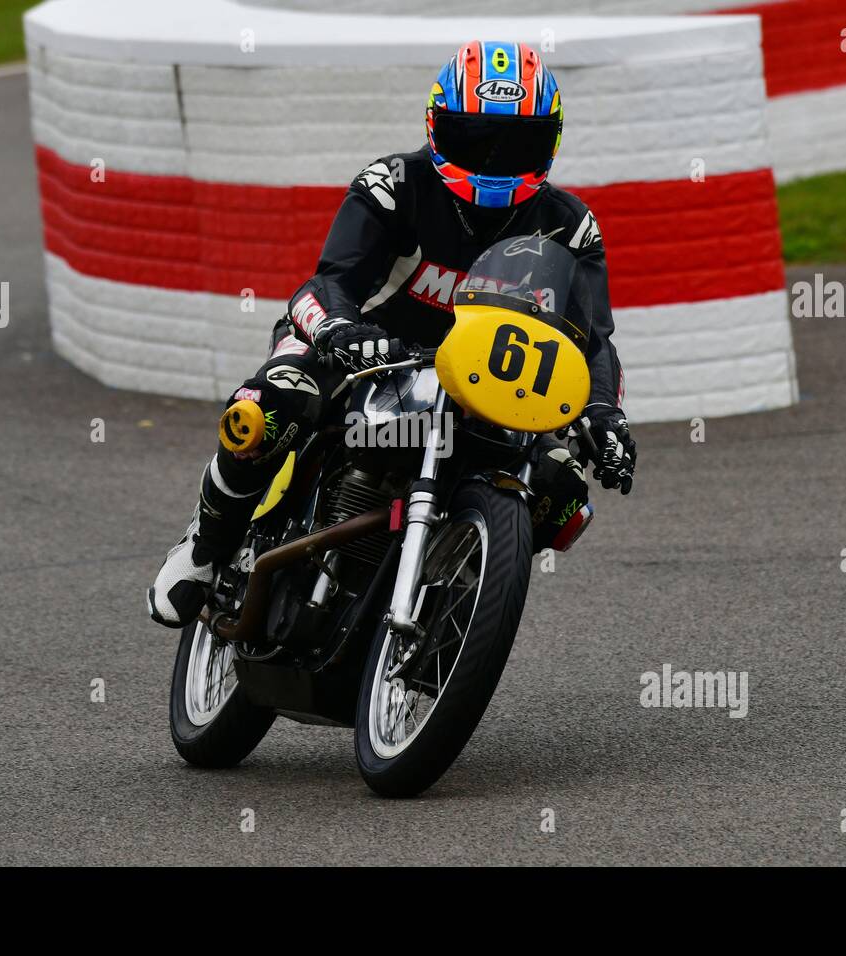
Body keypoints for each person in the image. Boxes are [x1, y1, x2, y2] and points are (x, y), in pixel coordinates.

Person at [149, 40, 636, 629]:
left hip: (478, 383)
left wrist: (605, 415)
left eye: (517, 144)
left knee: (563, 486)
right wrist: (338, 329)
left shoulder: (572, 227)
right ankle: (205, 546)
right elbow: (327, 280)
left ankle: (458, 590)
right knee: (274, 403)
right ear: (436, 126)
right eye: (474, 138)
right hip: (360, 351)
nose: (494, 159)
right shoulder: (392, 183)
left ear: (550, 142)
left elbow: (592, 341)